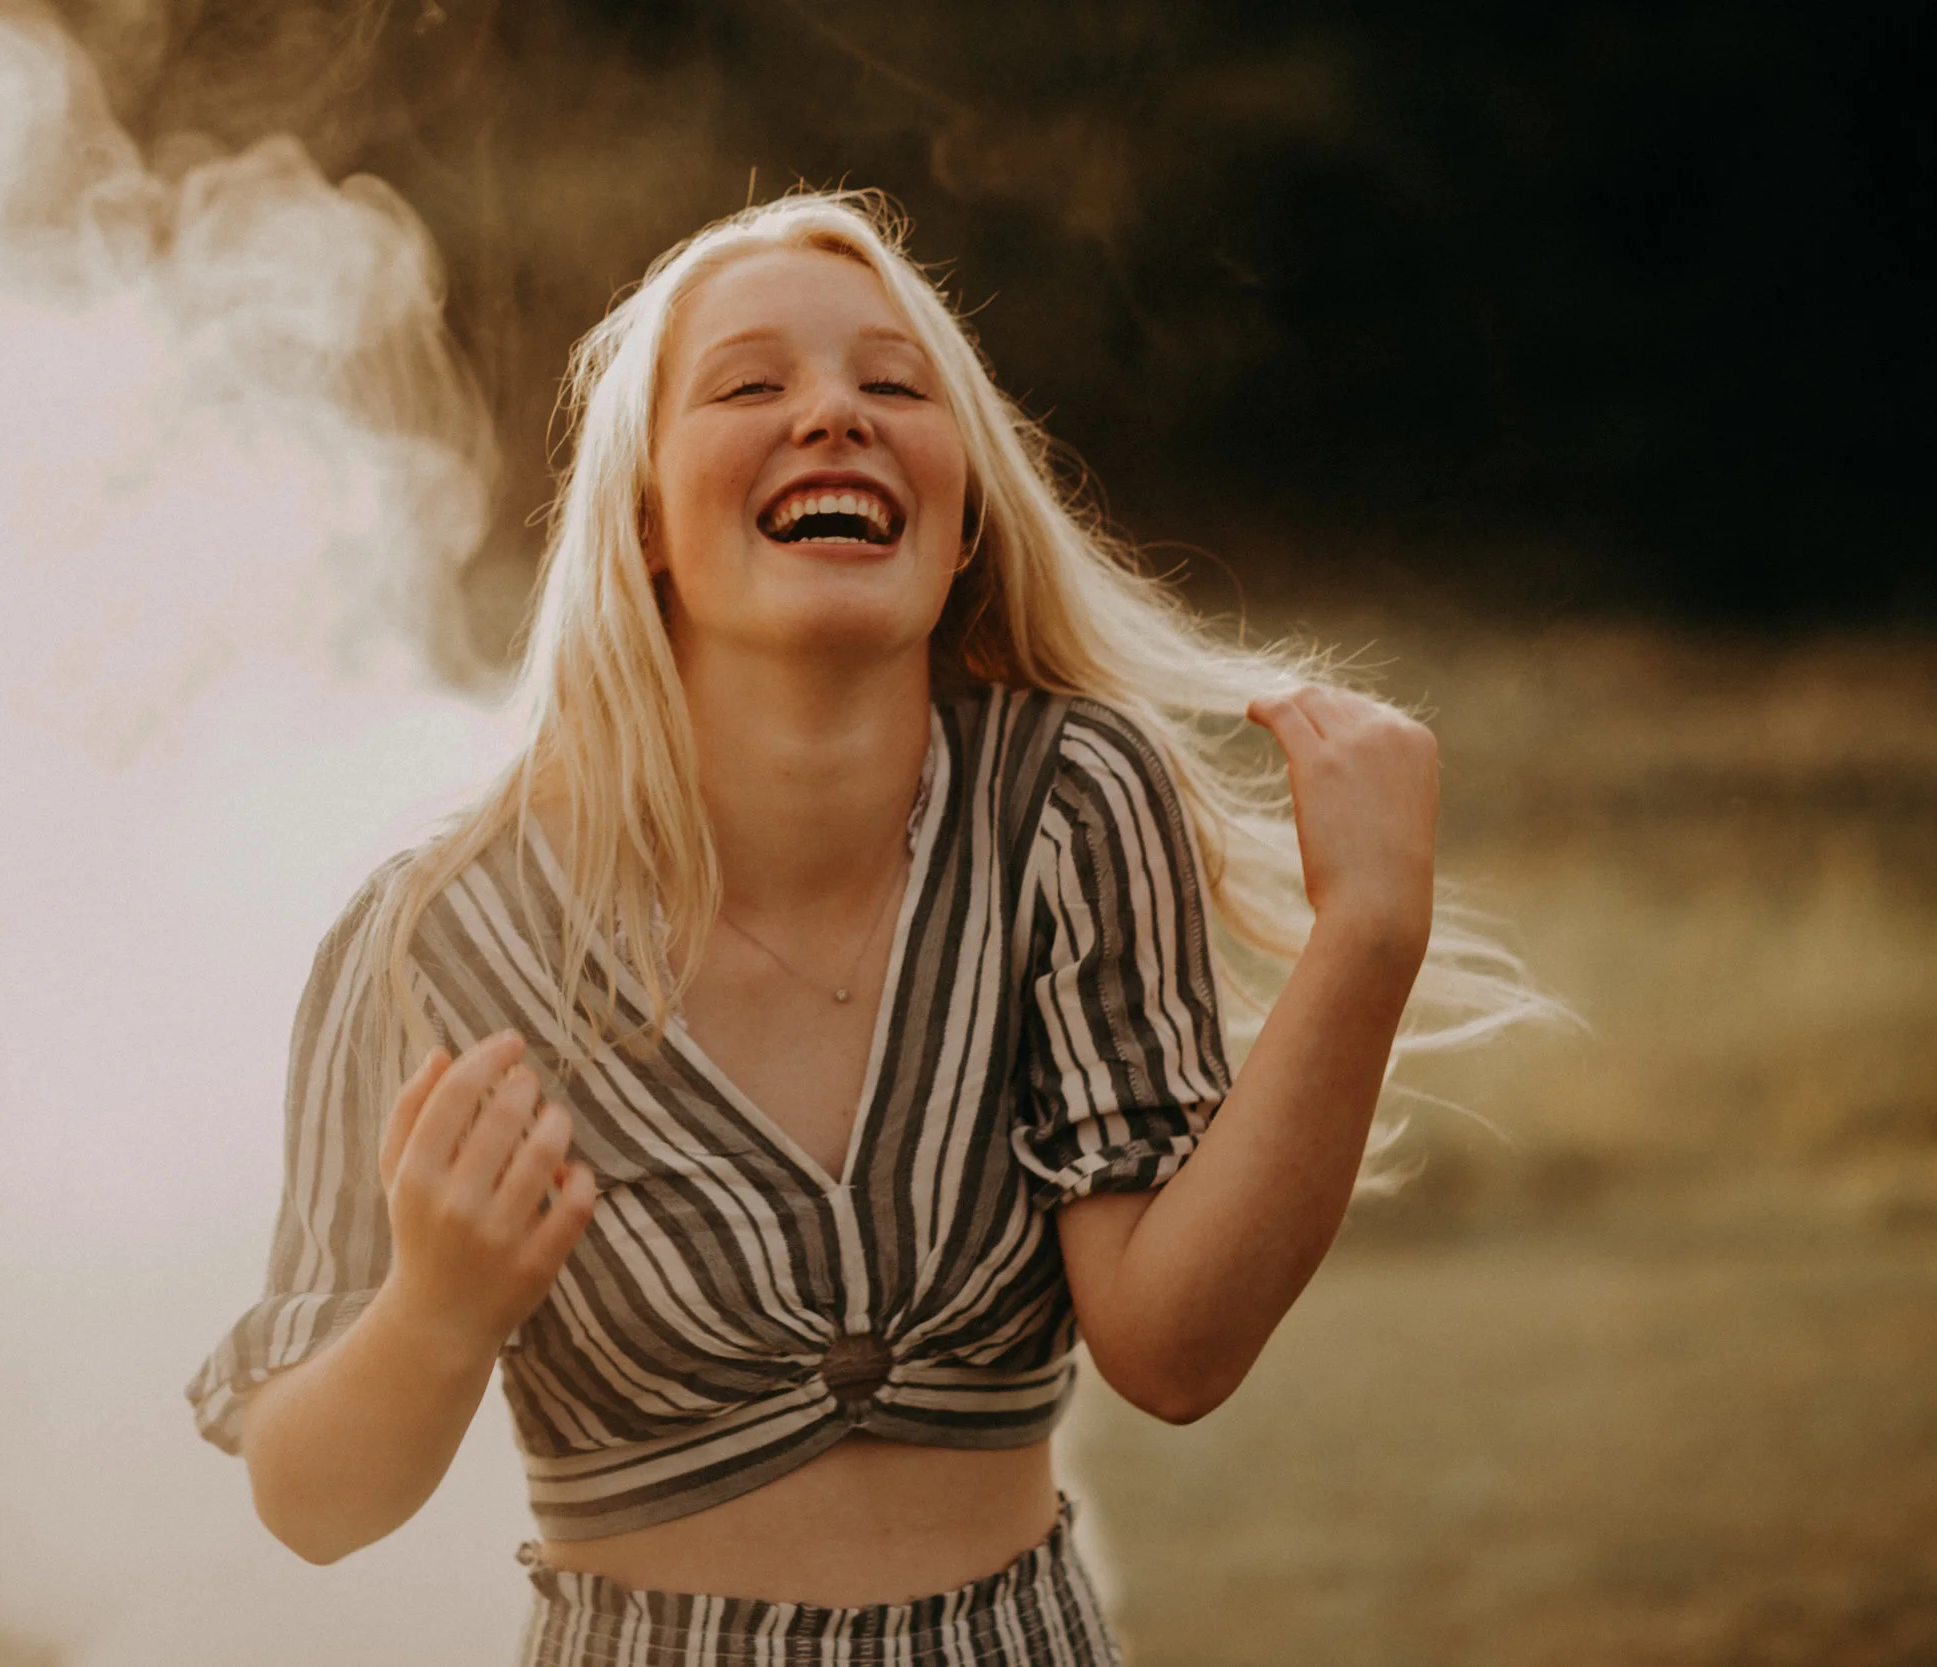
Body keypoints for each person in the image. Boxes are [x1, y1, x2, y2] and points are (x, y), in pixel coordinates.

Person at [187, 189, 1545, 1665]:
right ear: (643, 513)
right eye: (752, 383)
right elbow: (311, 1502)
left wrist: (1365, 944)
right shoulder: (436, 940)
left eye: (895, 386)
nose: (833, 412)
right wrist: (439, 1310)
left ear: (960, 517)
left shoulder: (1070, 809)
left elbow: (1174, 1348)